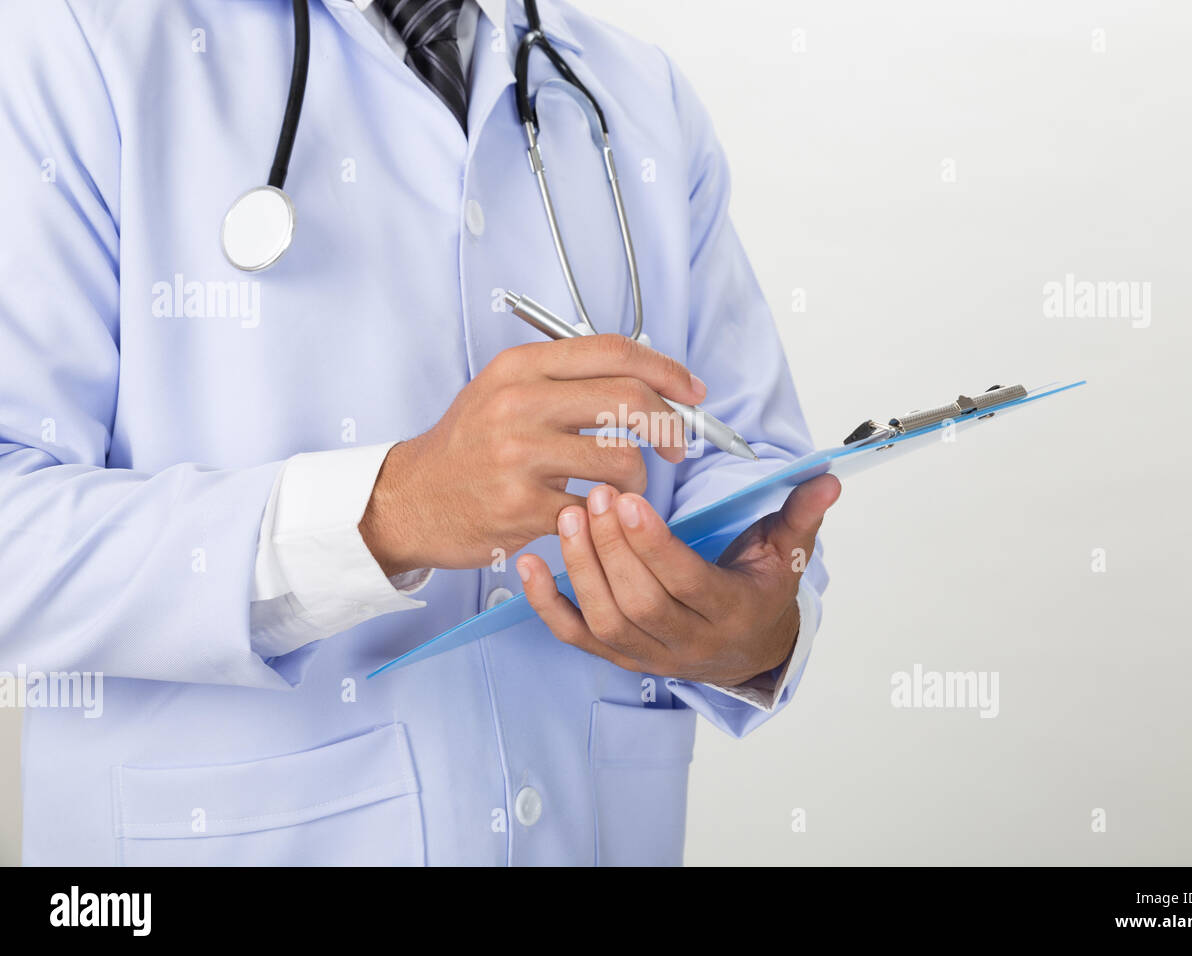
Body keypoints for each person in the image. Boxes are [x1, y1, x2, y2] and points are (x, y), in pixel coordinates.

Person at [0, 0, 839, 866]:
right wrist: (386, 511)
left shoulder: (632, 89)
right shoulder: (76, 40)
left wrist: (754, 631)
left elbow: (740, 464)